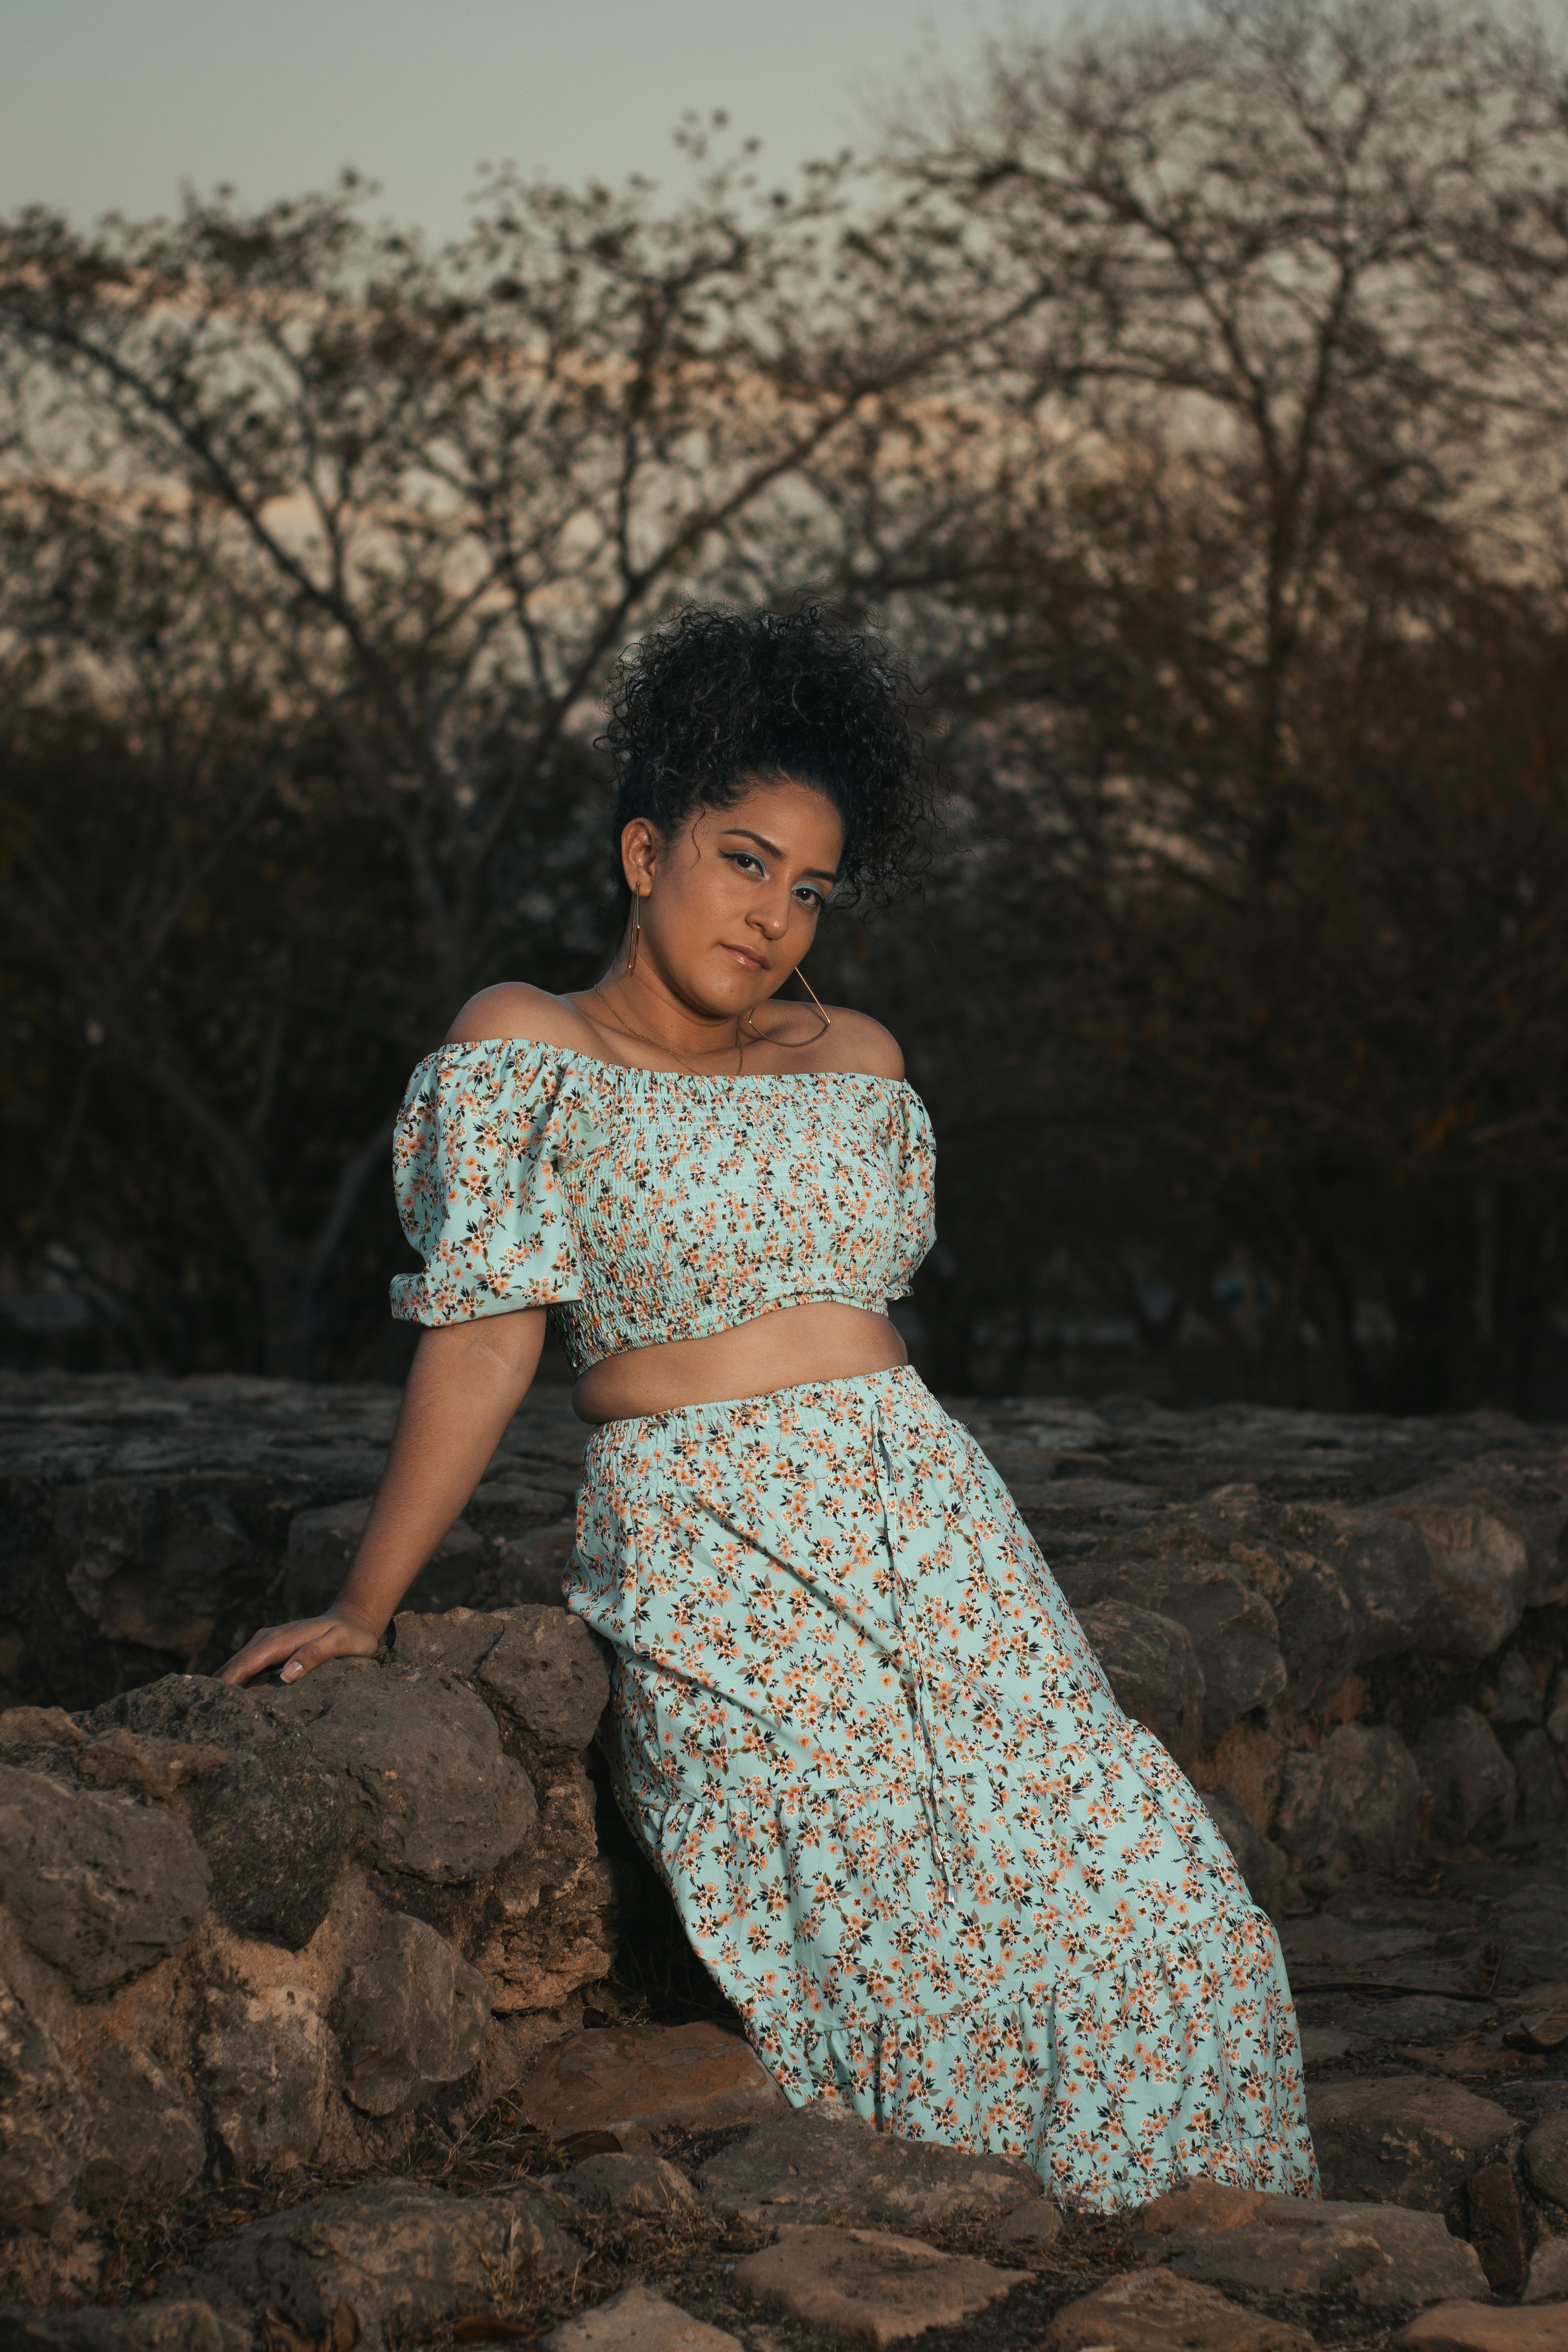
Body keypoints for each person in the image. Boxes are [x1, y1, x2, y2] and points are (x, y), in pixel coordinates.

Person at [221, 607, 1317, 2212]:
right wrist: (366, 1604)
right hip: (717, 1541)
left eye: (808, 888)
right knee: (891, 1941)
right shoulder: (528, 1044)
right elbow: (483, 1341)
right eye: (743, 863)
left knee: (1166, 1918)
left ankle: (1182, 2254)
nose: (776, 917)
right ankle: (987, 2252)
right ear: (643, 850)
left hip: (934, 1526)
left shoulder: (856, 1058)